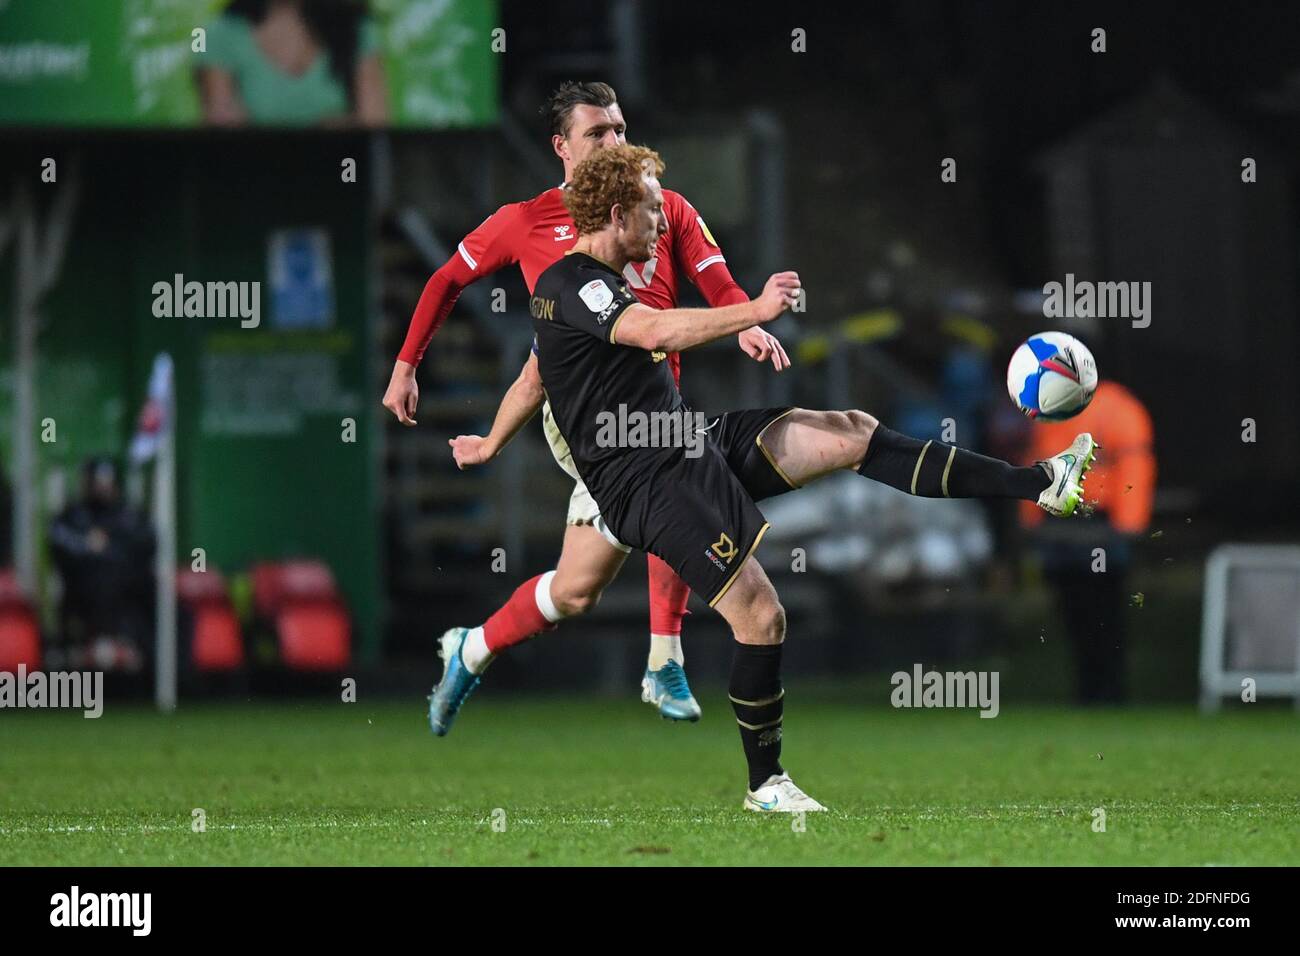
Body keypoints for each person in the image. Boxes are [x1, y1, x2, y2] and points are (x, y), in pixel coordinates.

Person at [428, 145, 1097, 811]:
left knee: (850, 432)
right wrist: (753, 311)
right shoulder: (578, 284)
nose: (664, 221)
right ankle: (766, 784)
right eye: (654, 209)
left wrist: (489, 443)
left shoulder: (588, 285)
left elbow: (535, 375)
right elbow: (653, 330)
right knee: (762, 614)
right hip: (647, 482)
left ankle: (1039, 481)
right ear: (617, 213)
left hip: (683, 443)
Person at [384, 81, 788, 721]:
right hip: (587, 415)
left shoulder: (664, 207)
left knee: (575, 592)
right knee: (677, 473)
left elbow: (716, 277)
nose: (613, 141)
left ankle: (473, 647)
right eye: (596, 133)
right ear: (561, 147)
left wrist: (746, 320)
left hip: (654, 402)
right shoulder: (526, 220)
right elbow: (446, 278)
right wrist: (406, 365)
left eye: (619, 129)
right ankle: (665, 659)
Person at [1020, 379, 1156, 703]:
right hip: (1071, 524)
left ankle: (1106, 691)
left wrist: (1127, 525)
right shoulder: (1057, 406)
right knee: (1078, 611)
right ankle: (1092, 691)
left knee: (1101, 610)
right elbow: (1037, 462)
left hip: (1098, 524)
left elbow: (1133, 465)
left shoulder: (1113, 408)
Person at [198, 0, 388, 127]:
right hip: (255, 170)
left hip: (340, 167)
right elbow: (223, 129)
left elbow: (375, 127)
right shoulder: (220, 35)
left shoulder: (356, 29)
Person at [48, 458, 156, 671]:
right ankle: (85, 648)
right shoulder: (73, 516)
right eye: (97, 483)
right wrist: (88, 547)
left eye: (107, 484)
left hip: (128, 599)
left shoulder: (129, 516)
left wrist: (108, 549)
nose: (102, 489)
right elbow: (60, 542)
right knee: (98, 581)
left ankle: (139, 651)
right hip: (82, 598)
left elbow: (146, 545)